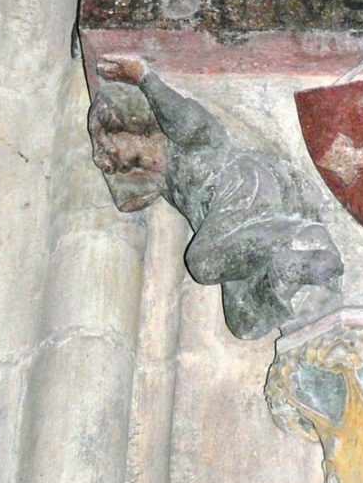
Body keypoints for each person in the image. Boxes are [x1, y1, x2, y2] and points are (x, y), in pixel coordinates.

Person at [92, 58, 343, 339]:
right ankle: (291, 268)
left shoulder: (188, 142)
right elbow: (127, 201)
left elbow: (189, 120)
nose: (101, 154)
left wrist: (145, 79)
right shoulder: (162, 180)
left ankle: (300, 236)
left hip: (245, 193)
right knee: (243, 322)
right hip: (226, 225)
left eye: (104, 139)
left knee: (202, 262)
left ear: (131, 122)